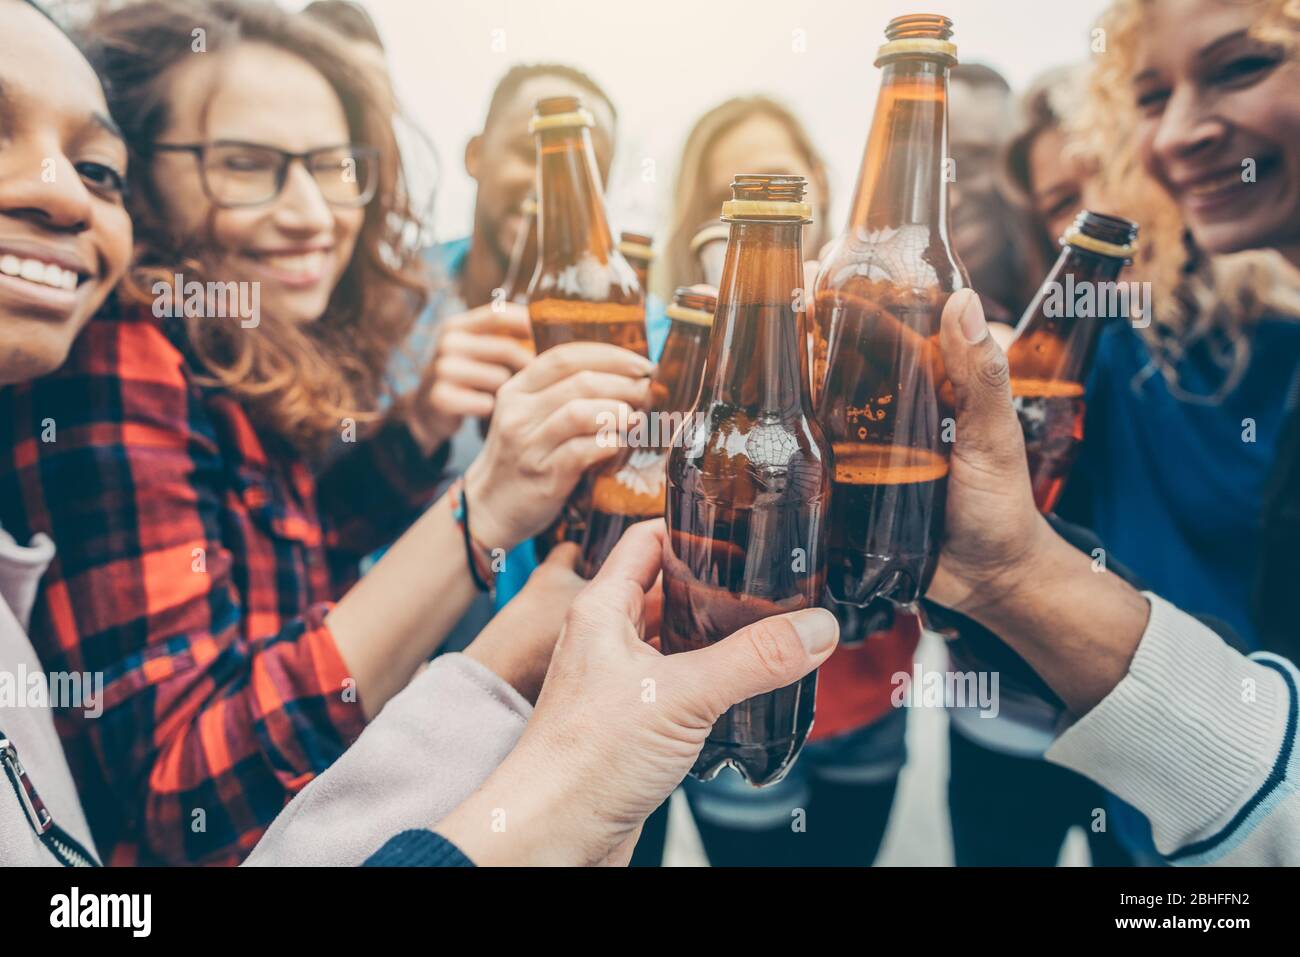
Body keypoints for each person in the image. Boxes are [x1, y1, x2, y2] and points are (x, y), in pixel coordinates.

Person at [0, 0, 651, 866]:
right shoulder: (126, 347)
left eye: (335, 166)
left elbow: (289, 542)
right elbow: (185, 797)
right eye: (245, 165)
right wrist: (484, 517)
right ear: (138, 175)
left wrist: (419, 428)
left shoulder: (236, 339)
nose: (311, 213)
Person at [1053, 0, 1300, 860]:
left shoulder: (1257, 347)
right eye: (1151, 97)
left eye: (1243, 66)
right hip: (1157, 798)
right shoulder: (1112, 346)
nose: (1181, 133)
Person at [645, 96, 913, 868]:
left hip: (867, 698)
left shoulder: (875, 327)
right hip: (727, 707)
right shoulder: (679, 355)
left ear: (818, 192)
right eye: (734, 188)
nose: (762, 201)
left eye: (784, 179)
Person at [942, 65, 1137, 867]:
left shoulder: (1112, 318)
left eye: (980, 160)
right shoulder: (972, 321)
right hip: (994, 721)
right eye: (940, 159)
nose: (956, 184)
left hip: (1134, 721)